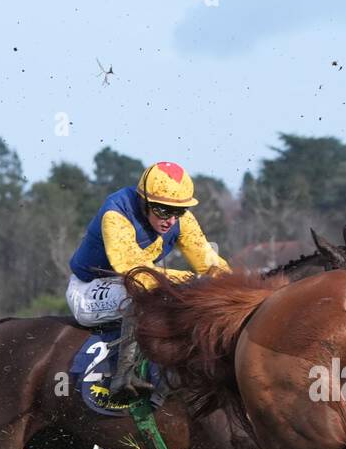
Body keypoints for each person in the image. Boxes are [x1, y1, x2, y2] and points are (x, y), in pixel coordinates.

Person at [66, 161, 230, 401]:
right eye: (163, 211)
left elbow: (210, 263)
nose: (171, 221)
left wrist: (237, 288)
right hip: (89, 289)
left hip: (125, 283)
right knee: (143, 292)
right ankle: (123, 378)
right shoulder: (116, 213)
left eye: (178, 211)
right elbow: (134, 272)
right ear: (144, 202)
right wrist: (191, 279)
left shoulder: (181, 220)